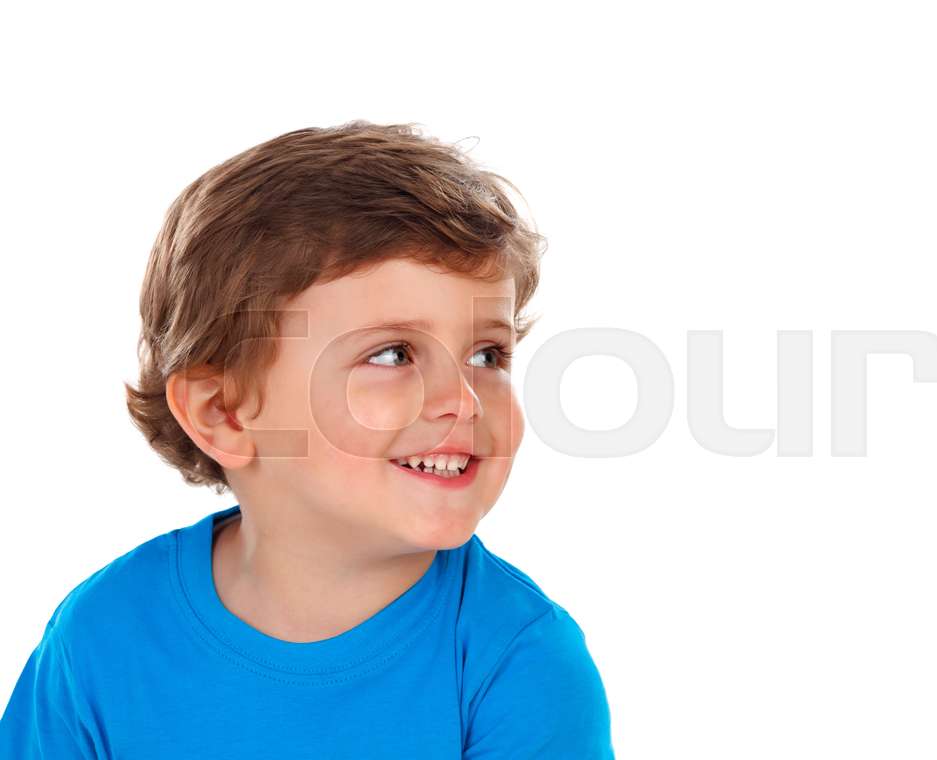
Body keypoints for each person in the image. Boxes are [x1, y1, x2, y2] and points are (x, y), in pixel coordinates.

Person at [0, 121, 613, 758]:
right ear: (224, 413)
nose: (463, 399)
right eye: (393, 353)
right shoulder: (104, 637)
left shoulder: (521, 664)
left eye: (487, 355)